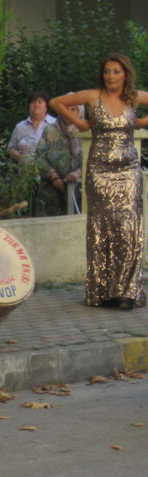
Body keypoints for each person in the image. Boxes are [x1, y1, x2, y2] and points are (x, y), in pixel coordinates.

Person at [50, 53, 148, 310]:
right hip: (100, 171)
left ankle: (126, 292)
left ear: (125, 74)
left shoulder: (133, 97)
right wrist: (80, 123)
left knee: (128, 229)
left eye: (116, 71)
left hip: (128, 171)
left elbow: (131, 122)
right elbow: (56, 102)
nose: (111, 76)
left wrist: (141, 122)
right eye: (107, 71)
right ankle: (103, 291)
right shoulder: (93, 96)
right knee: (101, 229)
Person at [33, 99, 84, 216]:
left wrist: (78, 173)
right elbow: (39, 157)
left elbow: (94, 159)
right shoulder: (50, 130)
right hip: (50, 189)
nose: (69, 112)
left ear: (80, 111)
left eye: (74, 109)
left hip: (78, 189)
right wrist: (53, 176)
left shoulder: (86, 131)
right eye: (67, 108)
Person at [8, 89, 56, 165]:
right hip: (25, 173)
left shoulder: (55, 124)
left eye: (40, 102)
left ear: (47, 106)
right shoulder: (20, 127)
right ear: (29, 105)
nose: (36, 105)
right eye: (33, 102)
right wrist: (18, 156)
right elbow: (11, 148)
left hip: (51, 174)